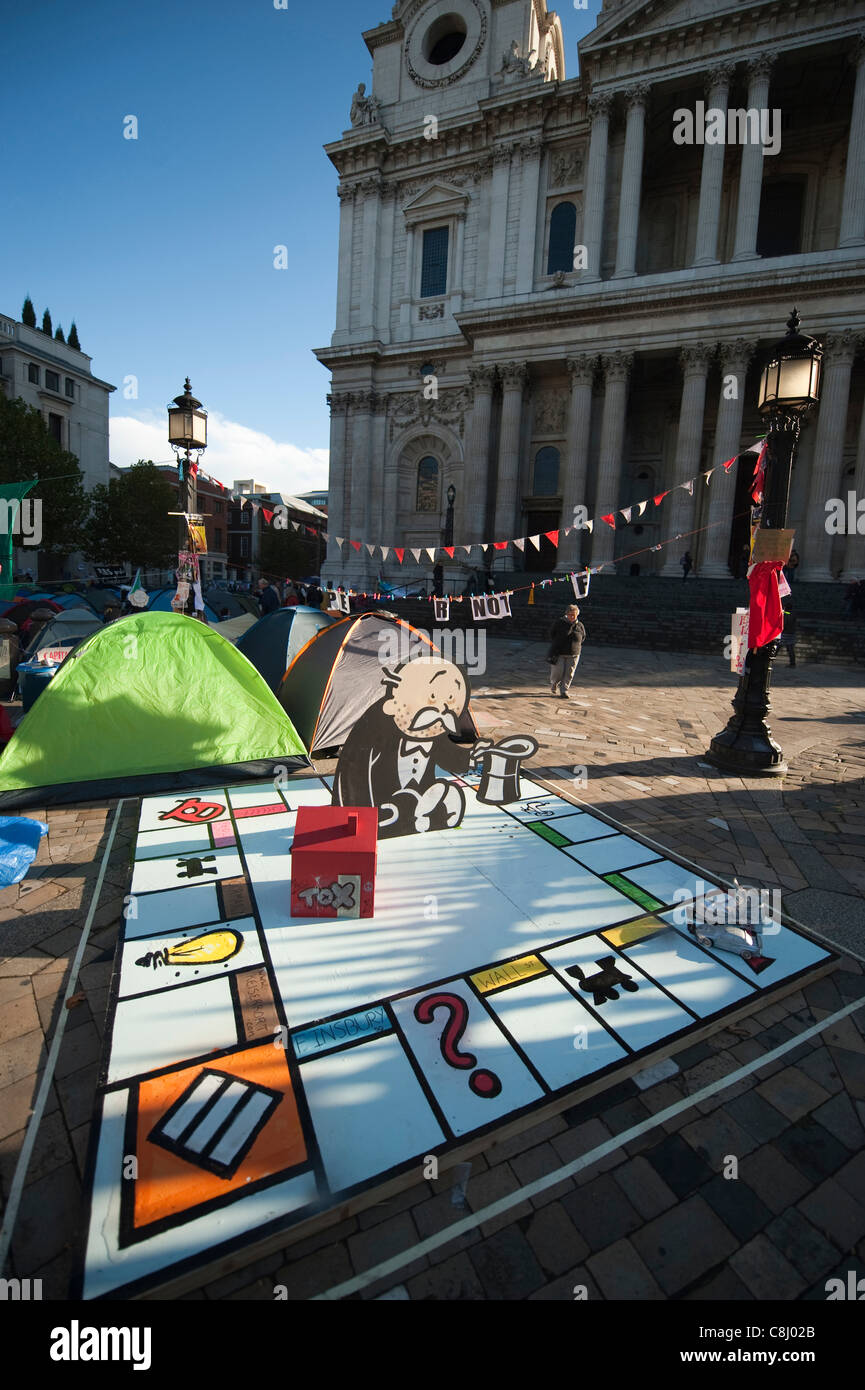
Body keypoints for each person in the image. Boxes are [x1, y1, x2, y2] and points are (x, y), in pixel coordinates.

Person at [547, 603, 586, 699]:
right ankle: (554, 683)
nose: (572, 616)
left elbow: (583, 637)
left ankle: (564, 690)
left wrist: (576, 646)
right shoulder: (559, 623)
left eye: (574, 615)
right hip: (559, 652)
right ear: (566, 614)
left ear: (577, 614)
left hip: (574, 653)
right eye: (570, 614)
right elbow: (552, 634)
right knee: (558, 672)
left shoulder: (580, 625)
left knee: (569, 673)